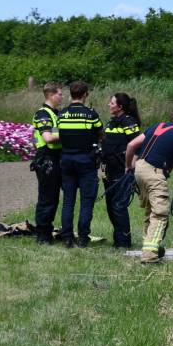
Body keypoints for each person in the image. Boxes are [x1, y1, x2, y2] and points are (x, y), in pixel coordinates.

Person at [125, 105, 173, 264]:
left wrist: (128, 167)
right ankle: (150, 255)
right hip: (155, 173)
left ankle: (150, 247)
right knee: (160, 214)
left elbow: (131, 146)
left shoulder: (156, 127)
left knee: (151, 211)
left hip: (139, 169)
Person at [57, 81, 104, 248]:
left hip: (67, 160)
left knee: (68, 201)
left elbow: (59, 135)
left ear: (71, 94)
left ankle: (67, 238)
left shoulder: (61, 114)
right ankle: (83, 238)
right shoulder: (91, 114)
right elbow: (100, 134)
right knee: (86, 201)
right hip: (86, 161)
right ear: (85, 95)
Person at [101, 92, 141, 249]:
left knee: (119, 206)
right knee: (111, 206)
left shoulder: (129, 122)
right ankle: (118, 240)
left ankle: (124, 242)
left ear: (120, 106)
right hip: (108, 170)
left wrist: (130, 167)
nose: (109, 105)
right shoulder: (111, 123)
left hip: (122, 172)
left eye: (111, 103)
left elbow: (138, 145)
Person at [30, 83, 63, 244]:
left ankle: (47, 231)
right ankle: (43, 235)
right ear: (50, 95)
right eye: (59, 94)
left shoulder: (55, 113)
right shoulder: (43, 113)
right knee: (47, 197)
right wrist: (71, 133)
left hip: (56, 157)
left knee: (54, 197)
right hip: (47, 159)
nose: (62, 97)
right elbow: (48, 138)